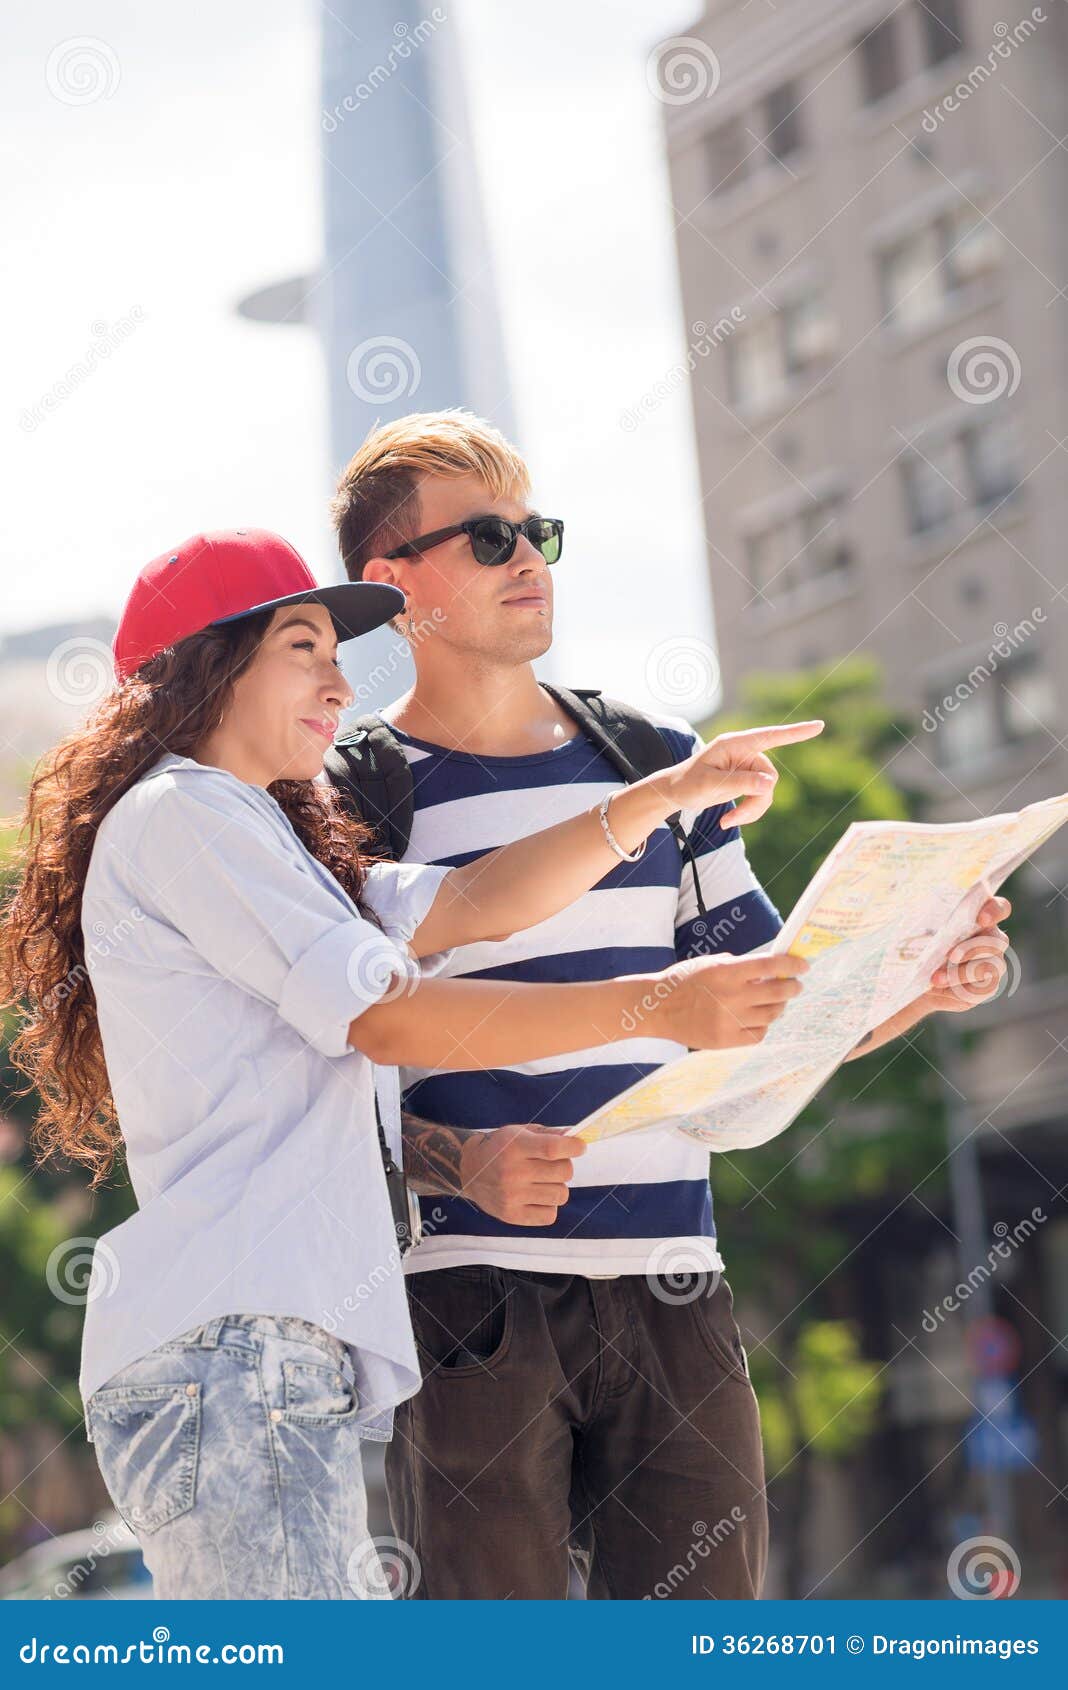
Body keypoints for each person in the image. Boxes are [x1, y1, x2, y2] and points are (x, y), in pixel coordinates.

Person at [0, 527, 823, 1600]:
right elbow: (387, 1021)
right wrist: (661, 1005)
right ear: (209, 664)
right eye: (304, 647)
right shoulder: (184, 812)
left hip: (261, 1351)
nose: (341, 683)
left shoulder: (270, 845)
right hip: (233, 1350)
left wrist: (666, 792)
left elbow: (477, 900)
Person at [329, 409, 1013, 1600]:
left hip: (677, 1285)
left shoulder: (653, 756)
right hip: (471, 1301)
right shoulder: (357, 791)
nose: (529, 558)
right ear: (394, 585)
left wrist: (918, 975)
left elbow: (765, 1011)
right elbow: (340, 1068)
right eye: (488, 539)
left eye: (536, 530)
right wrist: (459, 1163)